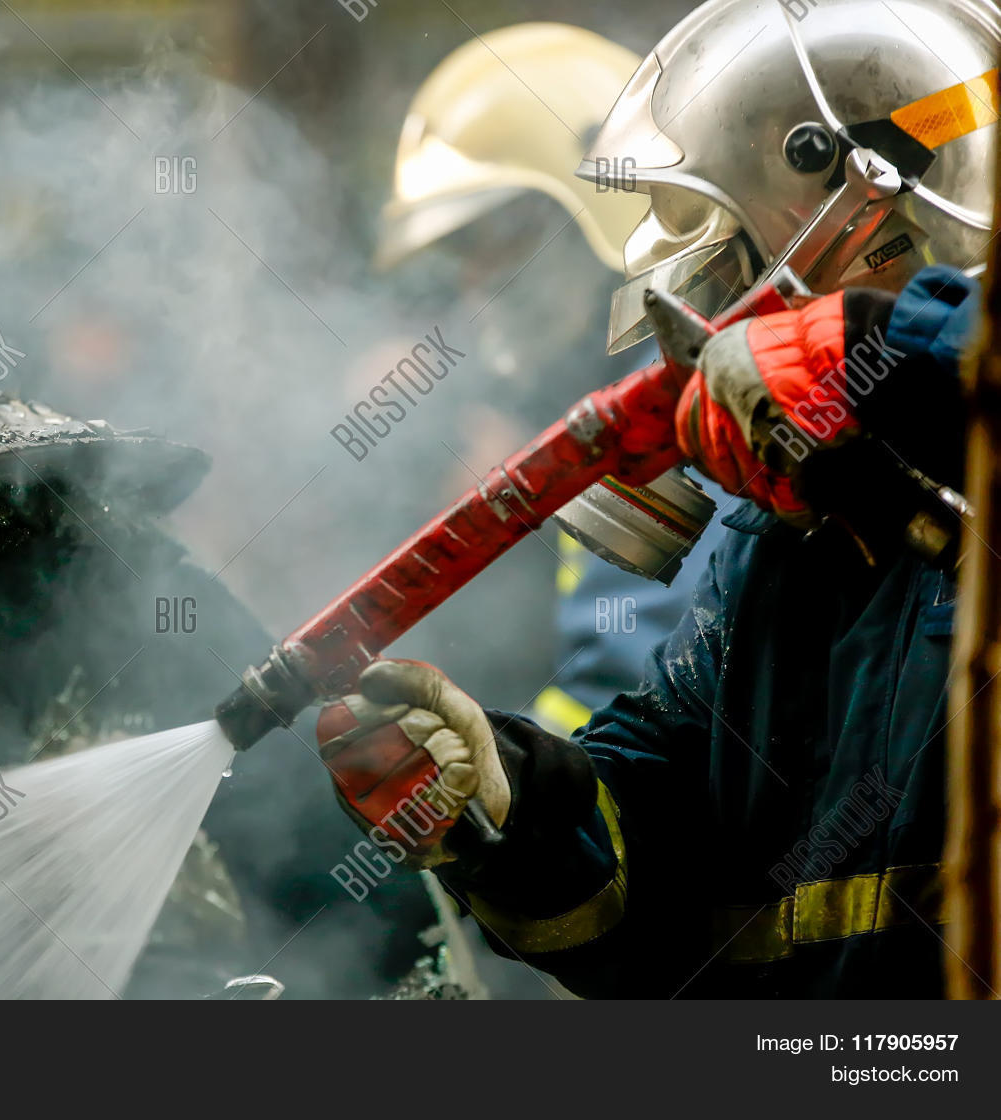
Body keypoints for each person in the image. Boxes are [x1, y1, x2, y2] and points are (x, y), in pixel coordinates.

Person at [317, 0, 996, 997]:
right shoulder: (782, 551)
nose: (717, 307)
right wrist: (506, 803)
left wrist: (881, 356)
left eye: (733, 256)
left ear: (877, 217)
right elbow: (659, 884)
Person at [371, 22, 731, 736]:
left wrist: (495, 798)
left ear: (598, 218)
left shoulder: (667, 414)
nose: (475, 282)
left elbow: (633, 712)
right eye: (459, 254)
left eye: (494, 239)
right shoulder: (574, 403)